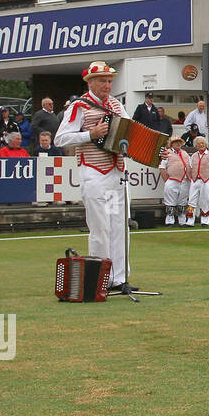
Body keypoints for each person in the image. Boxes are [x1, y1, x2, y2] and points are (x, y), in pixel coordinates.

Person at [54, 61, 134, 294]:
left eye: (109, 81)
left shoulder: (117, 105)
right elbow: (61, 138)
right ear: (90, 82)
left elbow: (131, 129)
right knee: (100, 227)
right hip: (93, 171)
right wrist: (91, 134)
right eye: (102, 80)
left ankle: (119, 277)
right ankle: (101, 278)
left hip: (116, 170)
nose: (107, 85)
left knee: (120, 226)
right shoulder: (79, 106)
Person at [158, 134, 191, 225]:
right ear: (171, 144)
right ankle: (169, 220)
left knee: (183, 201)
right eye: (175, 142)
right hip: (172, 179)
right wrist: (167, 180)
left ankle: (182, 220)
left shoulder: (185, 153)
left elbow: (190, 166)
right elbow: (162, 168)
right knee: (170, 201)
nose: (177, 144)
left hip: (184, 180)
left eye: (179, 142)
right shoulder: (167, 153)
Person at [186, 137, 209, 226]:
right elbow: (190, 167)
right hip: (195, 180)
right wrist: (191, 178)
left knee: (205, 199)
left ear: (206, 144)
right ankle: (190, 220)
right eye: (199, 143)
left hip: (206, 180)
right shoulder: (193, 156)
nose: (201, 145)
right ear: (195, 145)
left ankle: (205, 220)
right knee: (192, 199)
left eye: (202, 143)